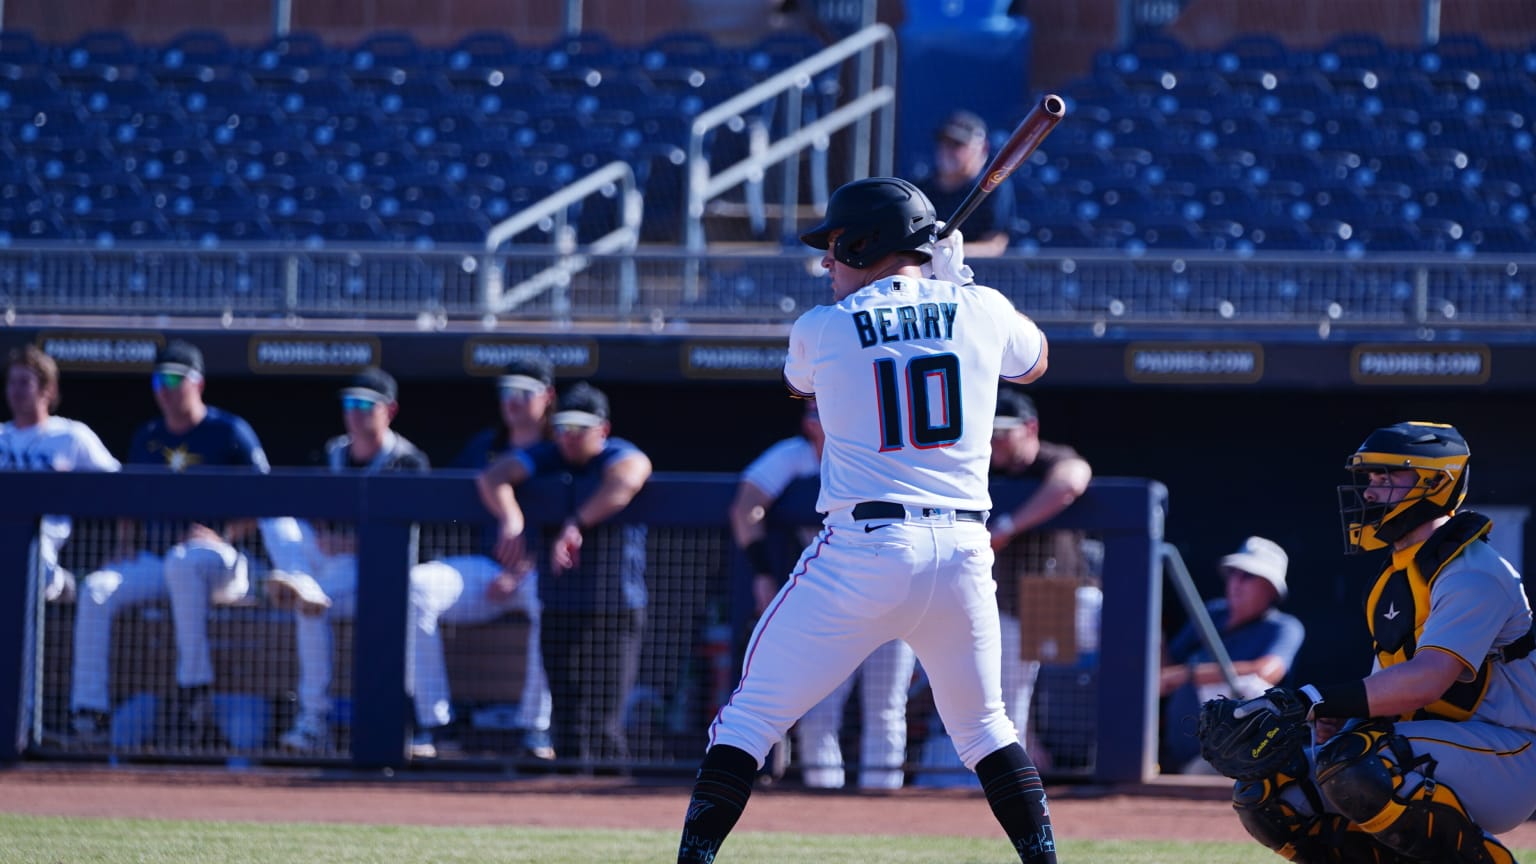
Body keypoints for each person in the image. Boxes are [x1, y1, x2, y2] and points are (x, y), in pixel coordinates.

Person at [676, 176, 1058, 864]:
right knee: (986, 731)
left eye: (835, 245)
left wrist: (932, 293)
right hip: (964, 552)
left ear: (864, 242)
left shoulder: (821, 326)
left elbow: (797, 383)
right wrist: (957, 287)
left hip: (864, 548)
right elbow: (1036, 362)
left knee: (749, 719)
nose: (827, 261)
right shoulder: (981, 307)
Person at [1213, 421, 1536, 863]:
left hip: (1510, 753)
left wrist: (1312, 700)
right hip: (1436, 742)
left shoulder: (1473, 570)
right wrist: (1339, 718)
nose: (1369, 492)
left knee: (1360, 764)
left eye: (1386, 477)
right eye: (1370, 478)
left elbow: (1428, 680)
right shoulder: (1400, 570)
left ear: (1436, 482)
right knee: (1270, 790)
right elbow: (1394, 687)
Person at [66, 340, 272, 750]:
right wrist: (124, 543)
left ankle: (195, 688)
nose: (166, 389)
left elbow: (269, 498)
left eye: (175, 380)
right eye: (159, 381)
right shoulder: (148, 435)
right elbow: (129, 496)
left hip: (220, 562)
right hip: (161, 561)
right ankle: (89, 712)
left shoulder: (229, 430)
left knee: (184, 560)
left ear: (198, 383)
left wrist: (225, 535)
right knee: (97, 589)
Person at [729, 398, 916, 790]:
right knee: (817, 711)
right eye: (815, 413)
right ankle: (825, 801)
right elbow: (745, 507)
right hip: (834, 598)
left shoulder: (880, 449)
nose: (823, 420)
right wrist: (762, 572)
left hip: (890, 591)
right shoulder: (793, 456)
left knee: (885, 707)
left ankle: (882, 804)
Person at [475, 382, 653, 767]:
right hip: (560, 604)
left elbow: (630, 477)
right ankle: (567, 796)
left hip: (615, 609)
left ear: (602, 430)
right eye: (562, 427)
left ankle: (610, 798)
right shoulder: (548, 456)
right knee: (567, 721)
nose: (569, 437)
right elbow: (493, 476)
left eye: (580, 429)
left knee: (604, 722)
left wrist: (575, 523)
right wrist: (512, 519)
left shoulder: (617, 453)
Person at [262, 367, 431, 754]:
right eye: (350, 403)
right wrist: (324, 531)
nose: (355, 412)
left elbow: (406, 538)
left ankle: (313, 720)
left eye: (365, 405)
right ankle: (300, 579)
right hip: (322, 563)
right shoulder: (332, 451)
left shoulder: (408, 461)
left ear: (390, 410)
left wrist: (349, 542)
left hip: (371, 575)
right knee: (275, 519)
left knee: (309, 604)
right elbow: (311, 507)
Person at [406, 356, 558, 760]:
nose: (513, 400)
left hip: (541, 573)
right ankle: (436, 722)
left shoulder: (561, 449)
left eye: (524, 392)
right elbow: (442, 502)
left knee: (550, 598)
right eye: (507, 391)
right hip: (486, 570)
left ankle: (535, 727)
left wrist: (528, 563)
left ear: (547, 397)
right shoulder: (485, 446)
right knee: (418, 585)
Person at [985, 388, 1094, 765]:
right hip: (1007, 603)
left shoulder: (1051, 458)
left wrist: (1008, 526)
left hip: (1061, 595)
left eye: (1003, 433)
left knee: (1081, 681)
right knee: (1008, 699)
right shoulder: (982, 467)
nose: (994, 442)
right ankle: (1022, 770)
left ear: (1030, 428)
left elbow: (1072, 480)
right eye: (989, 433)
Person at [1158, 536, 1304, 774]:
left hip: (1236, 758)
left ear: (1271, 589)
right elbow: (1165, 672)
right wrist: (1156, 633)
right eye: (1233, 573)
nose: (1236, 582)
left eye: (1248, 576)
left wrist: (1189, 675)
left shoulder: (1284, 627)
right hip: (1176, 757)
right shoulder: (1213, 612)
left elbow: (1266, 672)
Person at [1, 345, 122, 604]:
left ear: (48, 389)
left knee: (32, 567)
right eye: (11, 382)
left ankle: (64, 583)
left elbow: (121, 486)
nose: (16, 390)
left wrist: (124, 544)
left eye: (24, 382)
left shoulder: (71, 435)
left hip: (43, 536)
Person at [916, 110, 1017, 257]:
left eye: (957, 144)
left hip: (973, 269)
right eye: (943, 142)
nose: (947, 150)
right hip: (926, 267)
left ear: (983, 148)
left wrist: (947, 253)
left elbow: (995, 244)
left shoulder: (994, 188)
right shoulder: (921, 189)